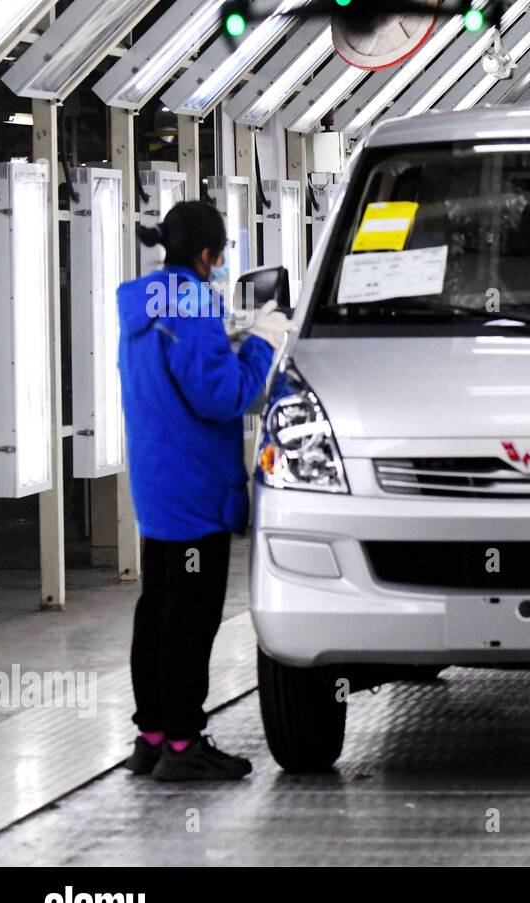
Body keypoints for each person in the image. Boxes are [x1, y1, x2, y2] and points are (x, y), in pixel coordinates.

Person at [118, 201, 293, 781]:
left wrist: (227, 335)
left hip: (158, 488)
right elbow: (223, 397)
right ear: (206, 256)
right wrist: (264, 343)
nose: (220, 269)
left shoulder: (145, 304)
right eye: (220, 258)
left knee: (157, 611)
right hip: (196, 493)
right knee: (189, 622)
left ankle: (152, 736)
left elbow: (181, 372)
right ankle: (184, 745)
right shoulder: (192, 305)